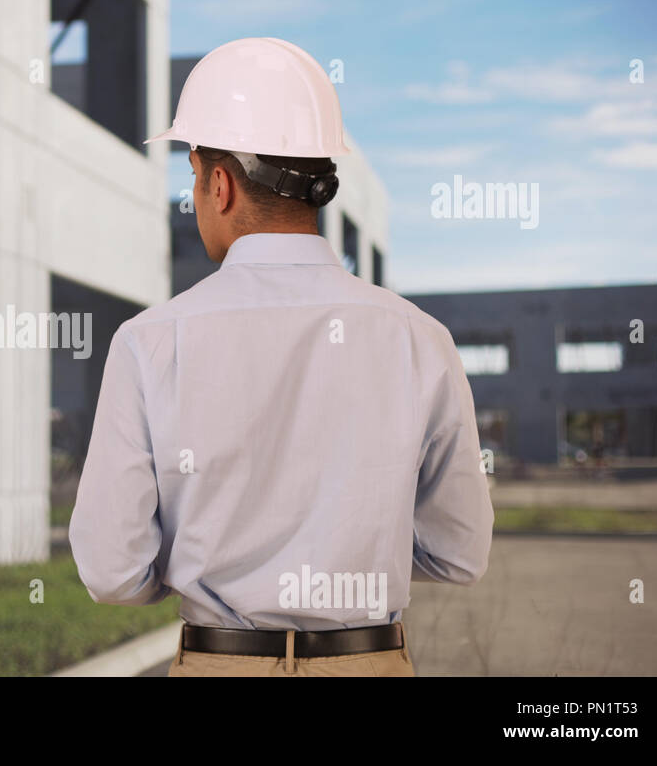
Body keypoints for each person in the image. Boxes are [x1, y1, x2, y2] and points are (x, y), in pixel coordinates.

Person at [67, 38, 494, 677]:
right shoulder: (417, 337)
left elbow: (111, 570)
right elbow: (459, 552)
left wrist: (212, 563)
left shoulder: (149, 340)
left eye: (191, 174)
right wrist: (349, 556)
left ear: (218, 183)